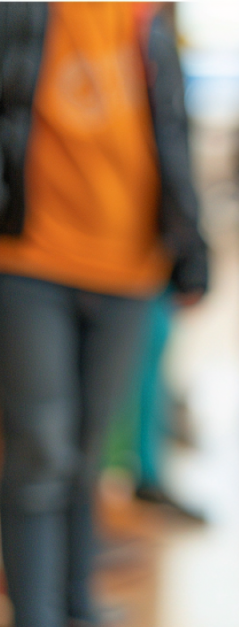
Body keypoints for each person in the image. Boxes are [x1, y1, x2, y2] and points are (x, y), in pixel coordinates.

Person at [0, 3, 207, 626]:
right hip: (30, 259)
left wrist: (191, 243)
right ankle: (37, 615)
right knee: (40, 448)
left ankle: (77, 605)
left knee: (89, 451)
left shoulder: (148, 17)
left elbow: (172, 131)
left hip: (130, 268)